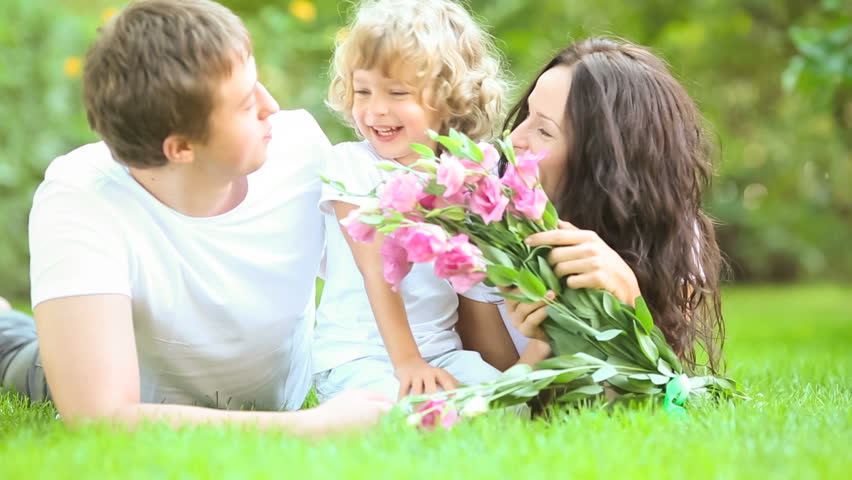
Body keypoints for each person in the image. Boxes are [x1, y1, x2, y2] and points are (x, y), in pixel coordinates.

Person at [0, 0, 392, 433]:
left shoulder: (299, 149)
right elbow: (101, 415)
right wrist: (311, 427)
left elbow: (383, 275)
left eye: (257, 82)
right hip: (93, 360)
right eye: (245, 104)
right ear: (182, 147)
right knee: (13, 348)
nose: (272, 106)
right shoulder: (82, 198)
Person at [313, 0, 517, 403]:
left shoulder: (463, 174)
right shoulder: (352, 164)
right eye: (362, 91)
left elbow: (475, 282)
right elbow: (377, 271)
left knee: (501, 404)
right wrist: (408, 363)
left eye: (397, 93)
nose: (376, 109)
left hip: (441, 352)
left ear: (450, 99)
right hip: (361, 356)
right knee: (409, 413)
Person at [493, 38, 725, 371]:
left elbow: (660, 382)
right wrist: (546, 341)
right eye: (527, 114)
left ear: (599, 159)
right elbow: (498, 389)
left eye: (544, 130)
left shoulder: (672, 235)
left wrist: (628, 296)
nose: (513, 138)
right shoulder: (484, 222)